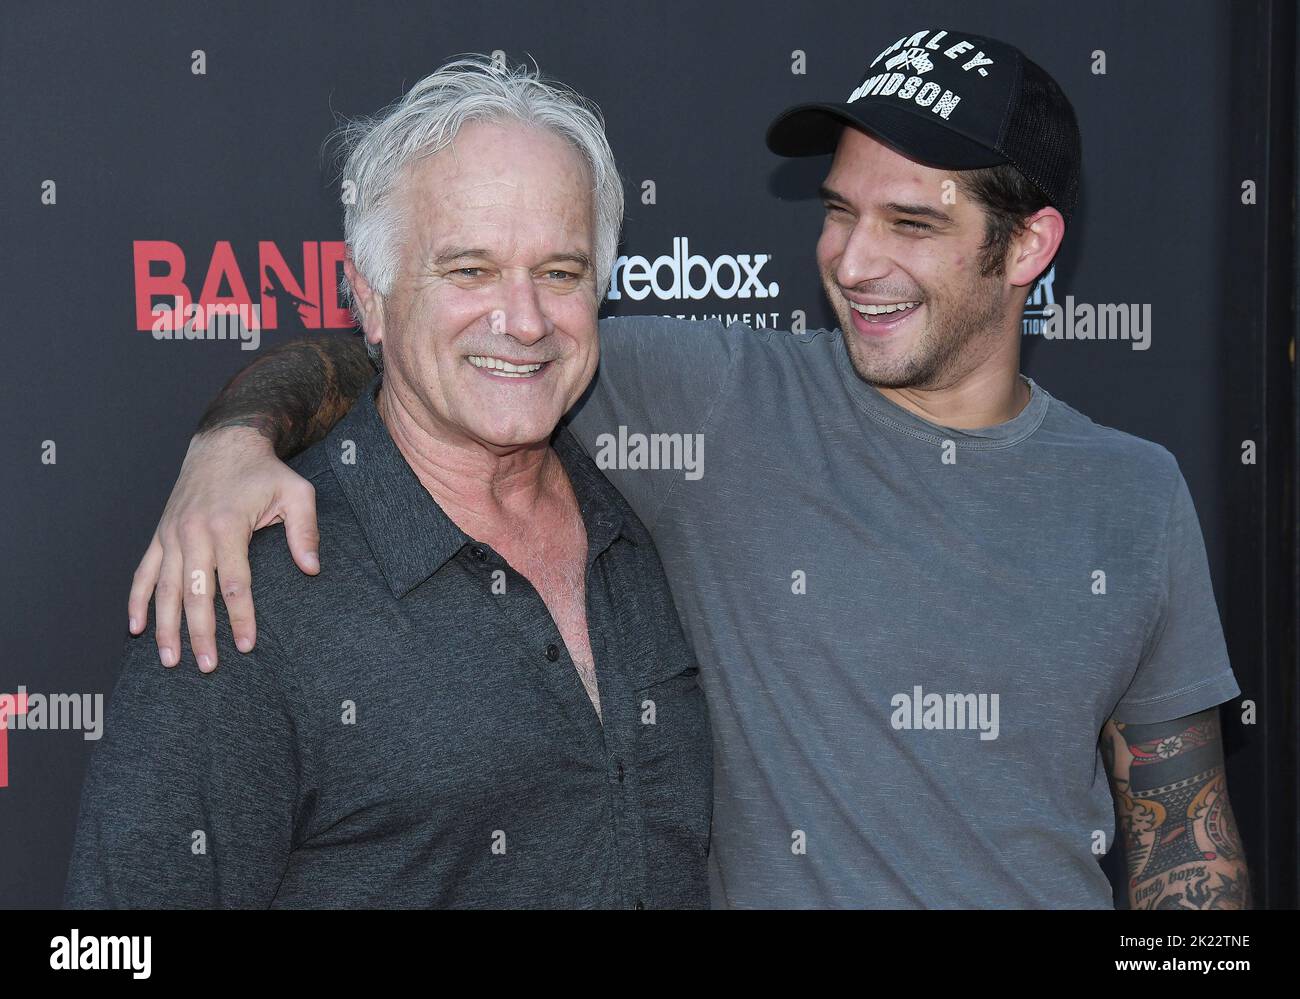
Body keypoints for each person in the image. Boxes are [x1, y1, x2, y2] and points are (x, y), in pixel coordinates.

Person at [127, 29, 1250, 909]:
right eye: (840, 211)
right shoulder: (711, 396)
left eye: (911, 223)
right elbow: (442, 347)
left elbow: (1182, 841)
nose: (855, 262)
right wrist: (230, 442)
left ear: (1031, 247)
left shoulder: (1134, 495)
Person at [66, 58, 712, 909]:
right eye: (469, 270)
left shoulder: (646, 508)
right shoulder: (250, 587)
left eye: (559, 273)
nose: (523, 320)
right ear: (370, 301)